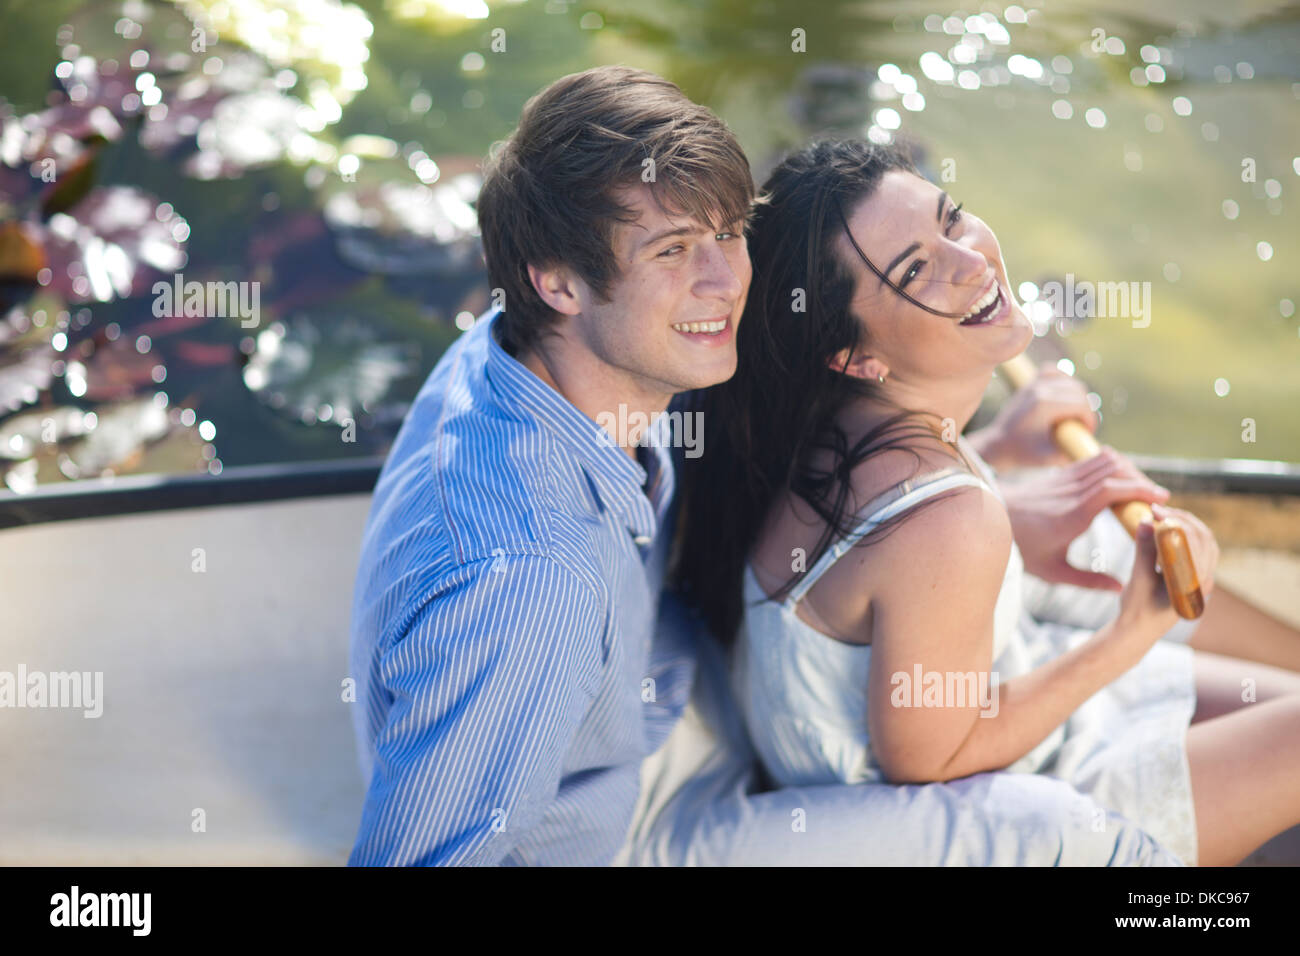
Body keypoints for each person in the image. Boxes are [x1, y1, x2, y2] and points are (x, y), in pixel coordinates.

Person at [348, 66, 1205, 867]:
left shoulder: (514, 349)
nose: (728, 280)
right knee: (1057, 837)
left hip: (657, 690)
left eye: (728, 232)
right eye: (673, 250)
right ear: (559, 283)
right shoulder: (530, 583)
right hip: (633, 826)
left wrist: (985, 458)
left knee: (1070, 551)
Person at [673, 138, 1300, 867]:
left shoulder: (832, 427)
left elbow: (883, 560)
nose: (971, 262)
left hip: (1017, 703)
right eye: (915, 268)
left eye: (952, 219)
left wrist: (997, 448)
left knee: (1276, 696)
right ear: (853, 356)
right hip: (1004, 799)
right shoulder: (946, 520)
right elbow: (931, 759)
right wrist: (1133, 629)